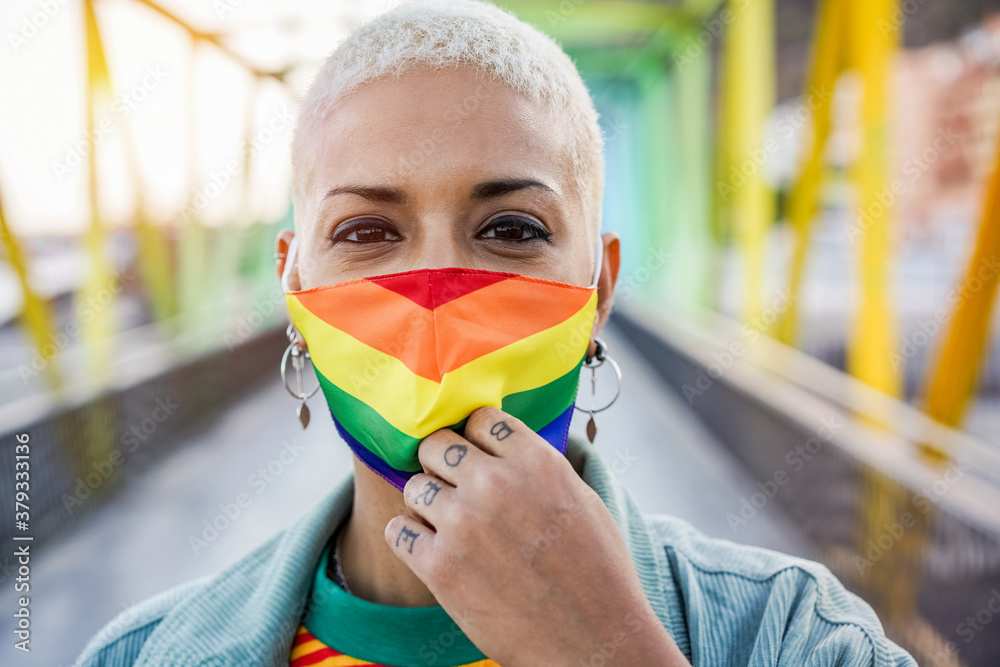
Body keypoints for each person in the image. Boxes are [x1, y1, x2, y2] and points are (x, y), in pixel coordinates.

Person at [75, 0, 918, 665]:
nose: (435, 297)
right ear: (294, 287)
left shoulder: (797, 635)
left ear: (601, 287)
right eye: (368, 231)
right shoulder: (137, 656)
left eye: (512, 228)